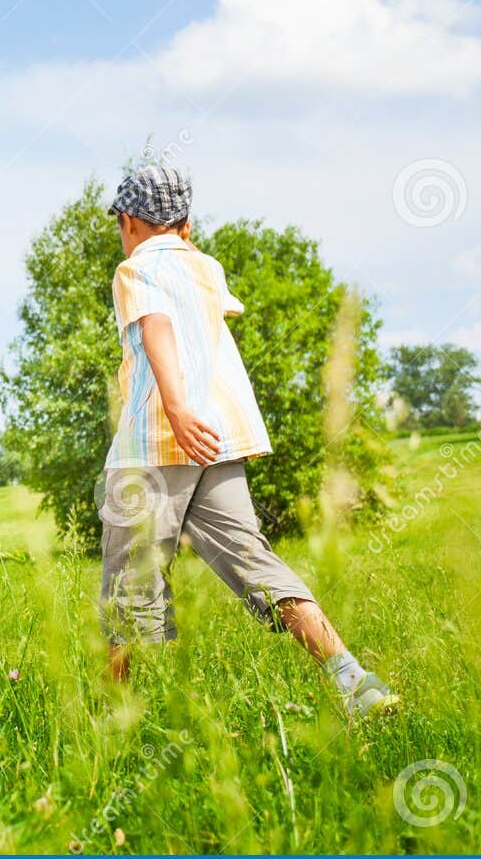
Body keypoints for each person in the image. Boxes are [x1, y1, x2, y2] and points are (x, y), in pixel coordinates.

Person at [98, 155, 398, 718]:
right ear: (186, 226)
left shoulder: (133, 270)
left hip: (154, 444)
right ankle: (354, 682)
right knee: (255, 564)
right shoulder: (207, 268)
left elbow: (157, 325)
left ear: (129, 222)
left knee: (128, 585)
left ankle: (117, 717)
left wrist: (177, 407)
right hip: (219, 443)